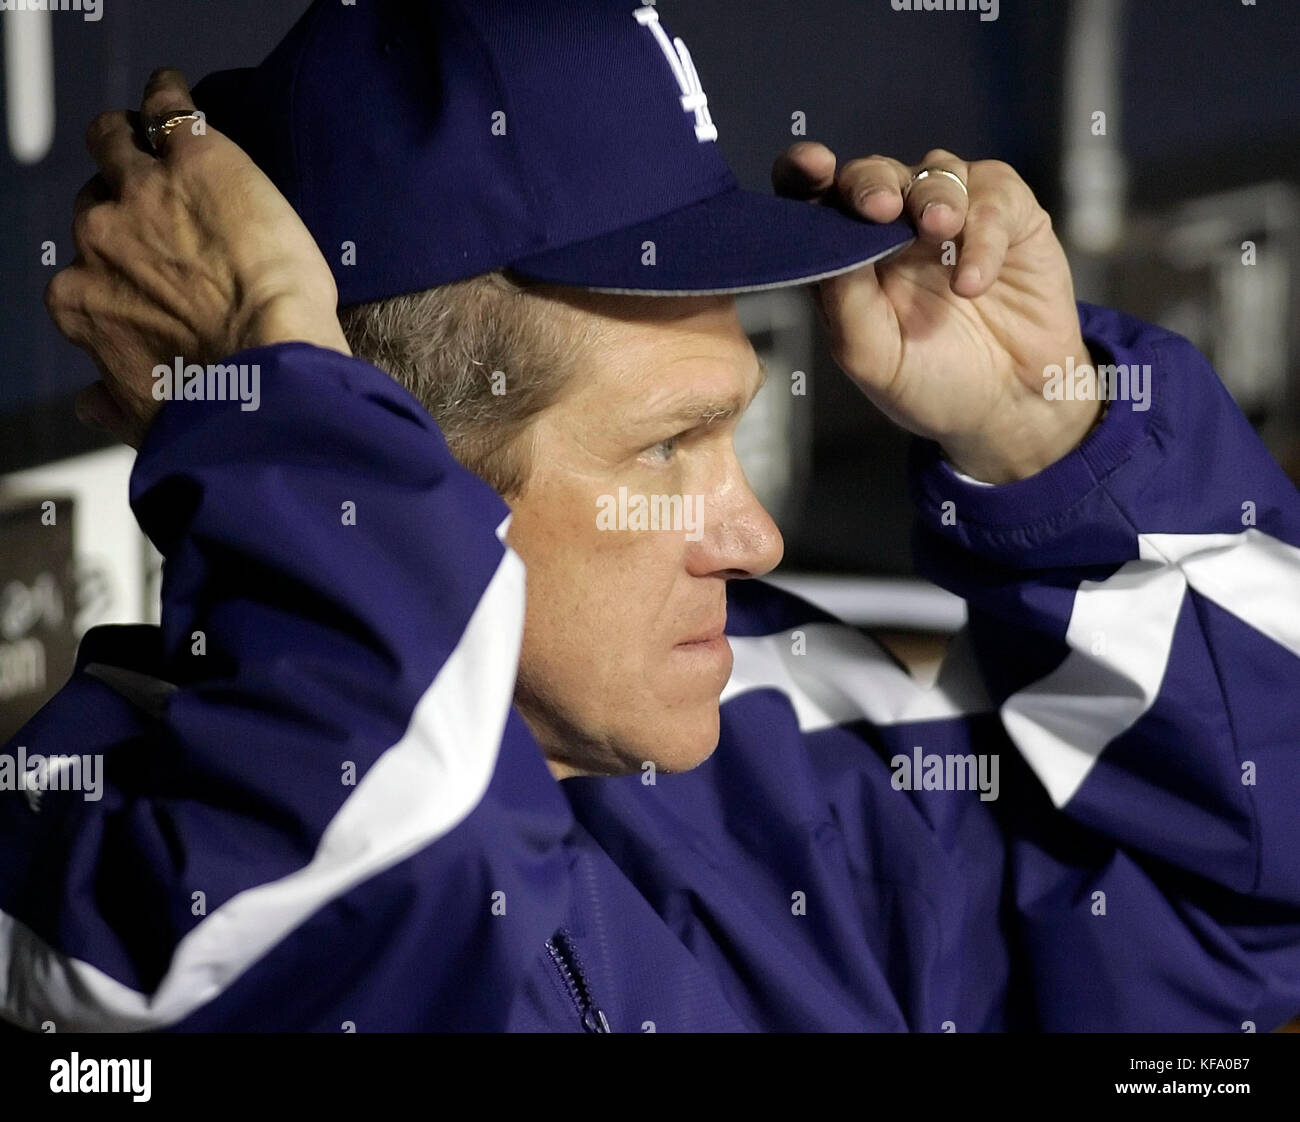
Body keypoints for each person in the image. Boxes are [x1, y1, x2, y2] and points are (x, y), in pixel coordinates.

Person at [4, 0, 1299, 1032]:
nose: (756, 537)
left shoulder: (807, 726)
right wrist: (273, 378)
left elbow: (1245, 912)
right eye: (668, 445)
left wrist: (1053, 444)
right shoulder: (103, 865)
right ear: (391, 464)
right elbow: (378, 903)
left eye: (726, 425)